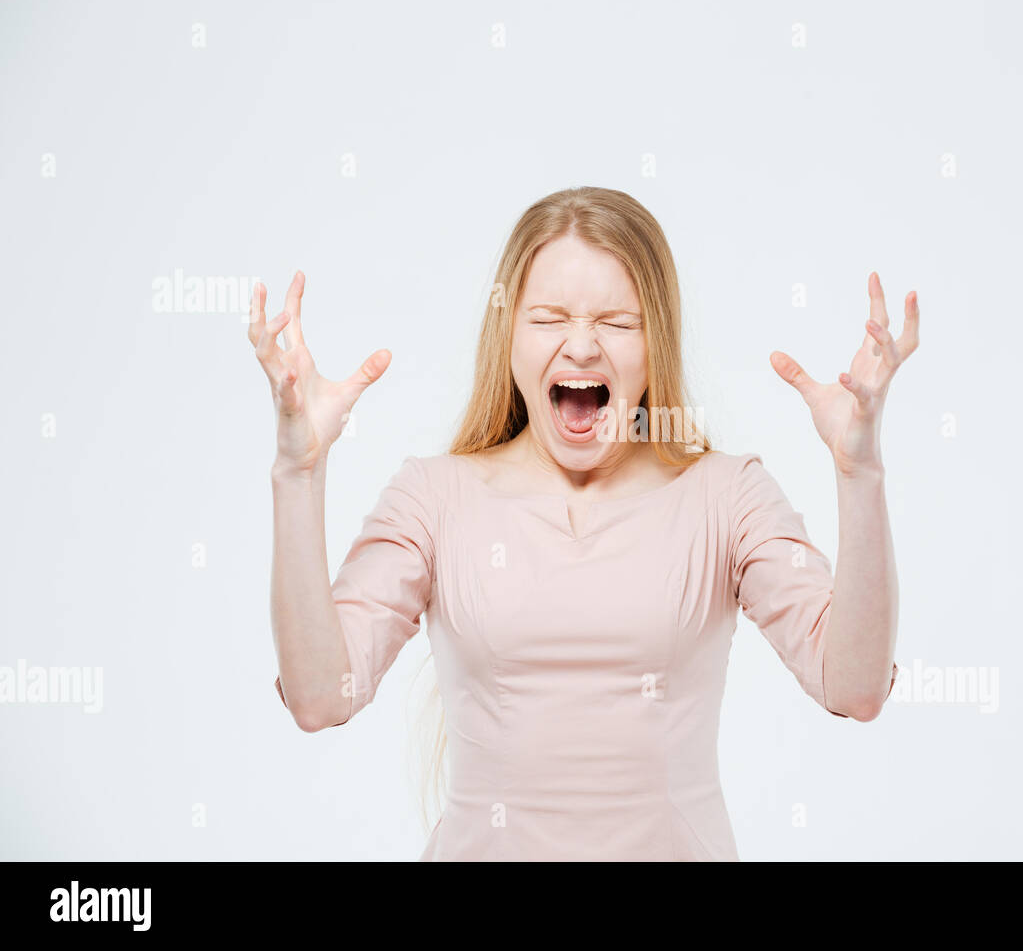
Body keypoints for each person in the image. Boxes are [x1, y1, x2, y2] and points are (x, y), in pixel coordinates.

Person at [248, 186, 919, 860]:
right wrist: (297, 474)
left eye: (617, 323)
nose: (581, 346)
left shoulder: (726, 494)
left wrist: (860, 474)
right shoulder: (434, 496)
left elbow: (855, 688)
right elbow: (318, 698)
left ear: (656, 339)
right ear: (507, 337)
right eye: (548, 318)